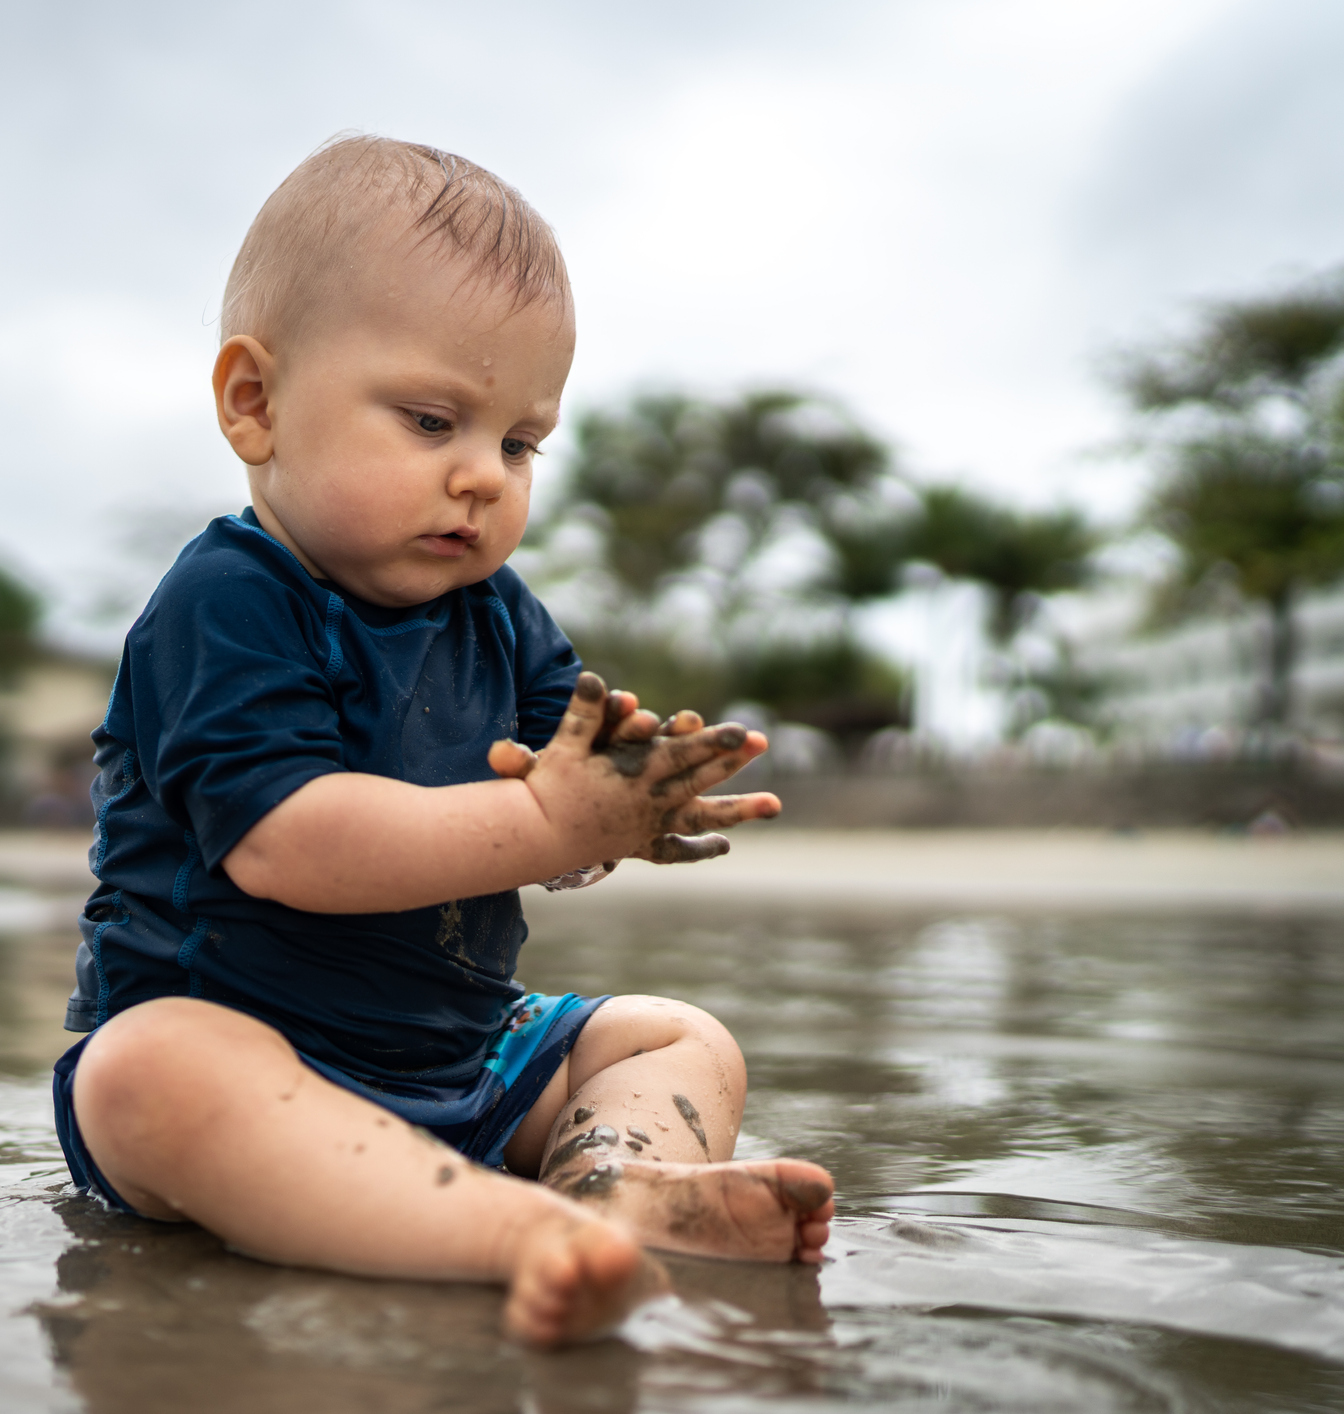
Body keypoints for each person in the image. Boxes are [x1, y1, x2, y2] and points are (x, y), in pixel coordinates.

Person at [52, 135, 835, 1348]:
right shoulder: (226, 602)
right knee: (141, 1070)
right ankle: (505, 1233)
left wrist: (614, 808)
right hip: (258, 1067)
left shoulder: (500, 617)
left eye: (519, 443)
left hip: (457, 1066)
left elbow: (549, 796)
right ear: (253, 404)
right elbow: (286, 846)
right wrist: (540, 824)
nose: (482, 477)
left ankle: (611, 1181)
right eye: (431, 421)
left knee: (677, 1035)